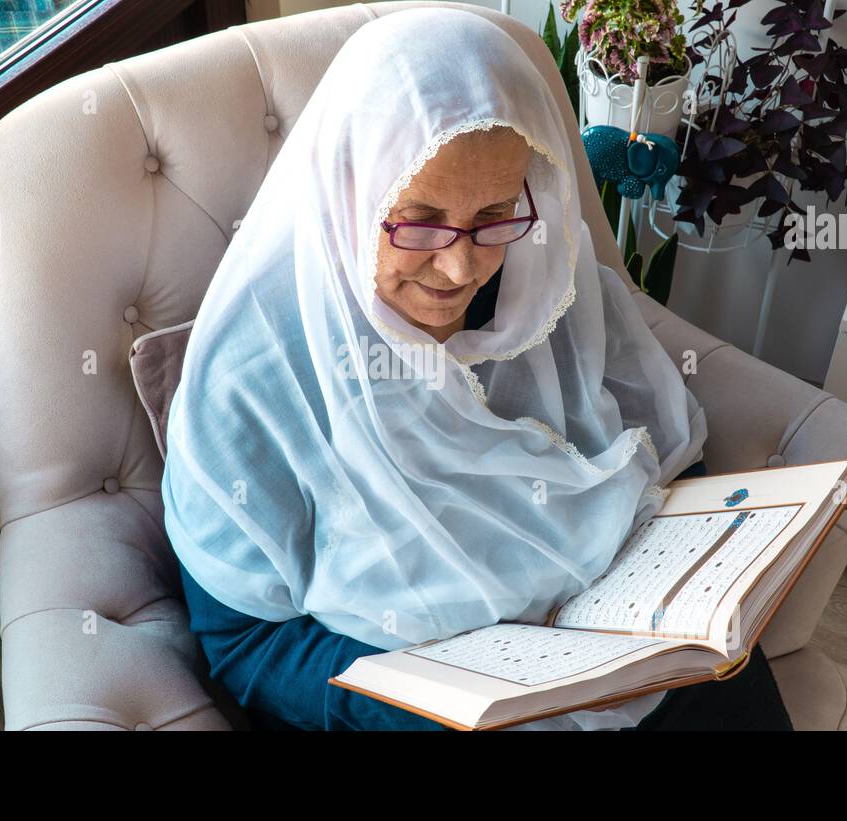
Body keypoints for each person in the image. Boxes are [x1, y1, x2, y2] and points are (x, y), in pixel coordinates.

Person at [161, 8, 791, 731]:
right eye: (420, 221)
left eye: (494, 213)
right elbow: (243, 641)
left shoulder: (537, 271)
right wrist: (422, 713)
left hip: (609, 634)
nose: (461, 266)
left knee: (730, 674)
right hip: (422, 703)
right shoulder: (248, 373)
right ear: (350, 191)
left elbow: (650, 427)